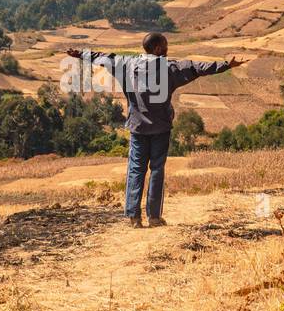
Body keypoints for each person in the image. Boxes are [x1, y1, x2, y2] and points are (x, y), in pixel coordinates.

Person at [66, 33, 245, 227]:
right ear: (159, 48)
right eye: (166, 46)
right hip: (161, 128)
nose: (167, 49)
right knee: (157, 169)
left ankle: (133, 217)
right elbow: (197, 67)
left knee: (136, 169)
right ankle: (154, 217)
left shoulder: (127, 64)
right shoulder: (170, 67)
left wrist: (81, 54)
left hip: (138, 127)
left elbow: (103, 57)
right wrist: (226, 64)